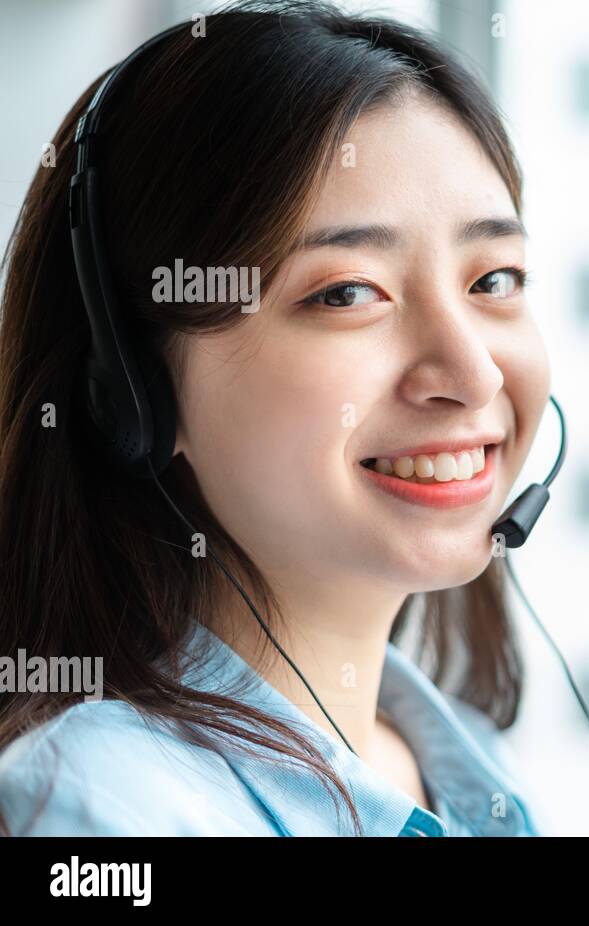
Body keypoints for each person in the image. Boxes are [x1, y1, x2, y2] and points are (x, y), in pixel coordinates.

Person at [0, 0, 553, 836]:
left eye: (494, 281)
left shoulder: (472, 771)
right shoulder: (104, 808)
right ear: (136, 386)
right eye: (346, 293)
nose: (472, 373)